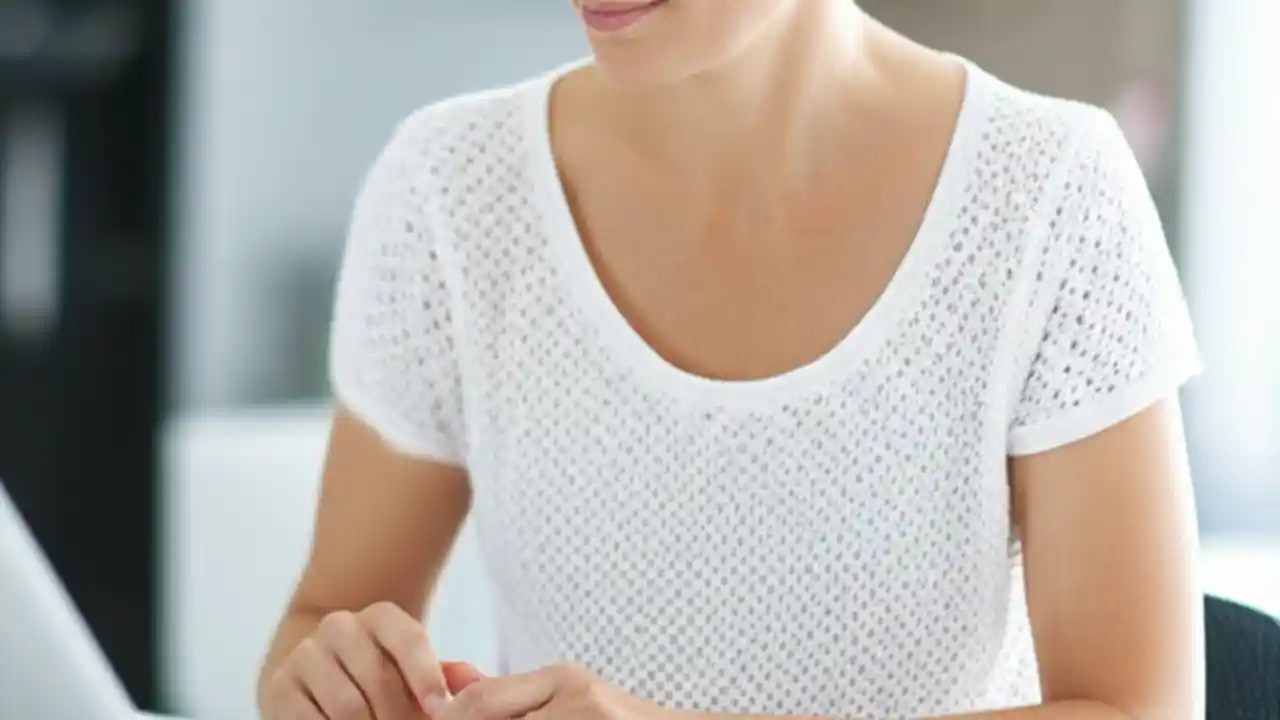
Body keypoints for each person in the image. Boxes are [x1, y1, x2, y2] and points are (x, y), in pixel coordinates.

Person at [258, 1, 1206, 718]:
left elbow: (1135, 710)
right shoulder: (449, 191)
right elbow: (322, 622)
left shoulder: (1050, 194)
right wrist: (325, 680)